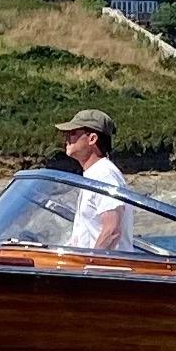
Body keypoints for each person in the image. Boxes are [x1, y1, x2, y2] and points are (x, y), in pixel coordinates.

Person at [55, 108, 132, 253]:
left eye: (72, 133)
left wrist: (92, 264)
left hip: (107, 271)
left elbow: (112, 230)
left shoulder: (104, 174)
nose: (67, 138)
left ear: (92, 139)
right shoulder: (94, 174)